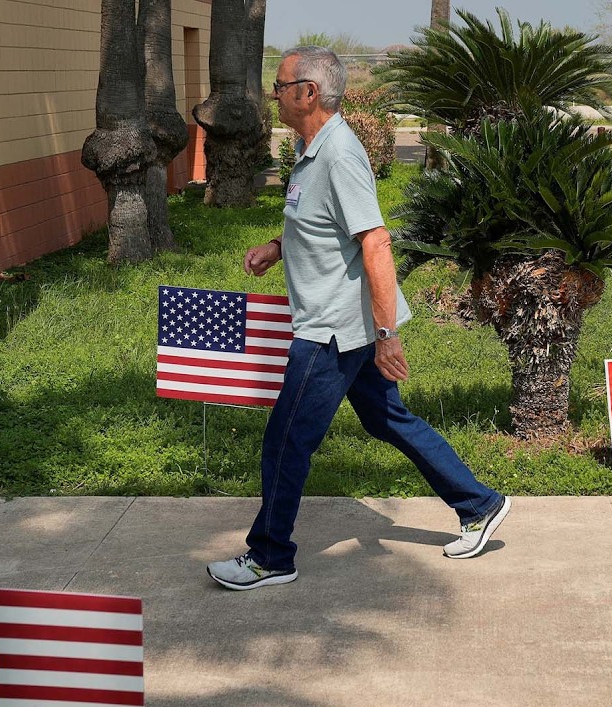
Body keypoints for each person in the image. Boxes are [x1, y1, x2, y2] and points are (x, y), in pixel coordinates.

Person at [206, 46, 510, 591]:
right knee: (386, 419)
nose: (273, 94)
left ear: (308, 92)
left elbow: (375, 241)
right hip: (343, 322)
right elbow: (326, 226)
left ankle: (271, 556)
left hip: (333, 329)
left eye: (278, 85)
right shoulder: (310, 148)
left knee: (286, 439)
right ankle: (479, 503)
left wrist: (386, 335)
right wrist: (279, 246)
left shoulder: (339, 154)